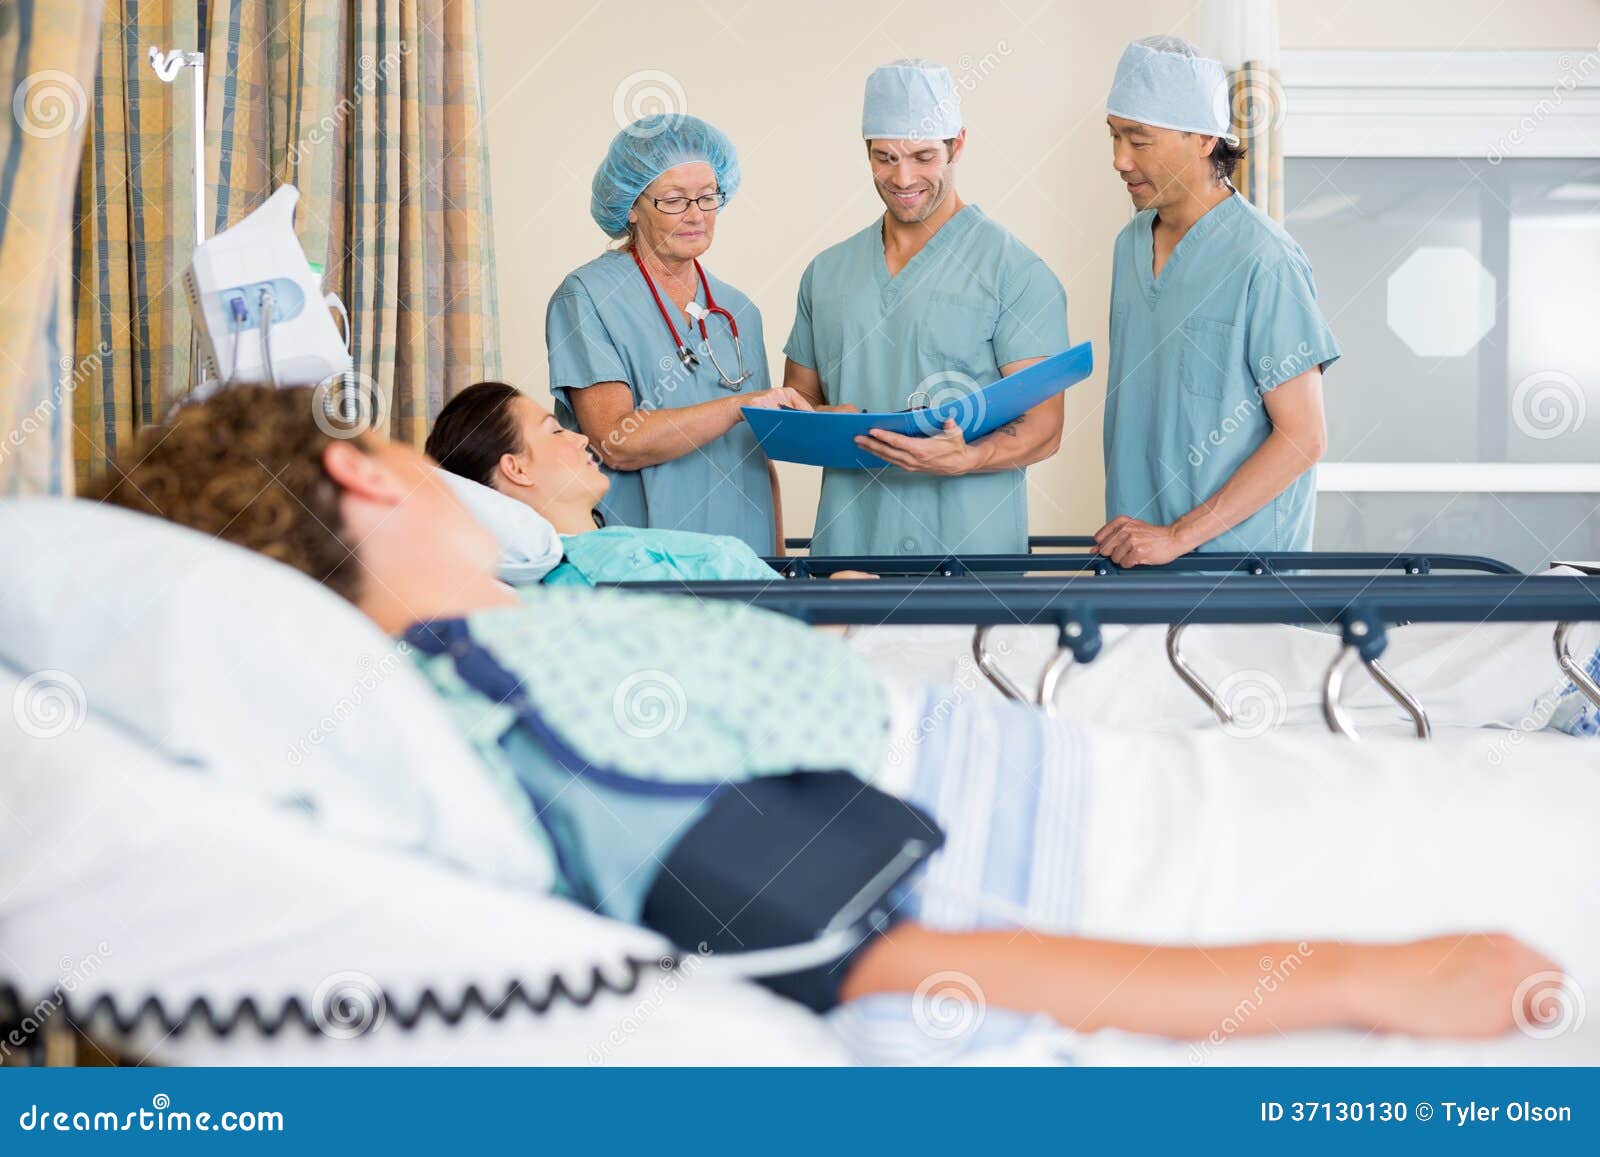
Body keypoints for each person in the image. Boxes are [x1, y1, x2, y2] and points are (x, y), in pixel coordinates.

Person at [90, 383, 1562, 1052]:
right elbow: (897, 960)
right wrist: (1377, 977)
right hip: (1163, 863)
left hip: (1151, 793)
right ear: (365, 482)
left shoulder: (506, 672)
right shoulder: (533, 709)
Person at [781, 60, 1071, 557]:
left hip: (969, 557)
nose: (903, 177)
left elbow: (1044, 429)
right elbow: (796, 405)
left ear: (957, 145)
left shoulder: (1015, 272)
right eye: (885, 157)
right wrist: (825, 419)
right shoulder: (826, 273)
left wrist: (969, 457)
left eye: (923, 156)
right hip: (850, 556)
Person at [1097, 36, 1338, 568]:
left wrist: (1179, 537)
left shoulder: (1265, 259)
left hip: (1240, 577)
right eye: (1114, 137)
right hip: (1135, 564)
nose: (1119, 160)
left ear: (1204, 139)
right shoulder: (1129, 245)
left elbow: (1304, 436)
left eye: (1139, 141)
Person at [545, 114, 812, 557]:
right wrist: (736, 405)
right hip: (646, 558)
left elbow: (758, 455)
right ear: (631, 205)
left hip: (745, 556)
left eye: (708, 197)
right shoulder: (587, 297)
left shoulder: (739, 311)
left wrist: (778, 564)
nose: (696, 215)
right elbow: (616, 441)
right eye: (673, 200)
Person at [427, 380, 779, 585]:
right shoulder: (595, 572)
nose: (581, 439)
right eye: (556, 430)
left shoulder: (609, 553)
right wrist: (834, 606)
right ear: (517, 469)